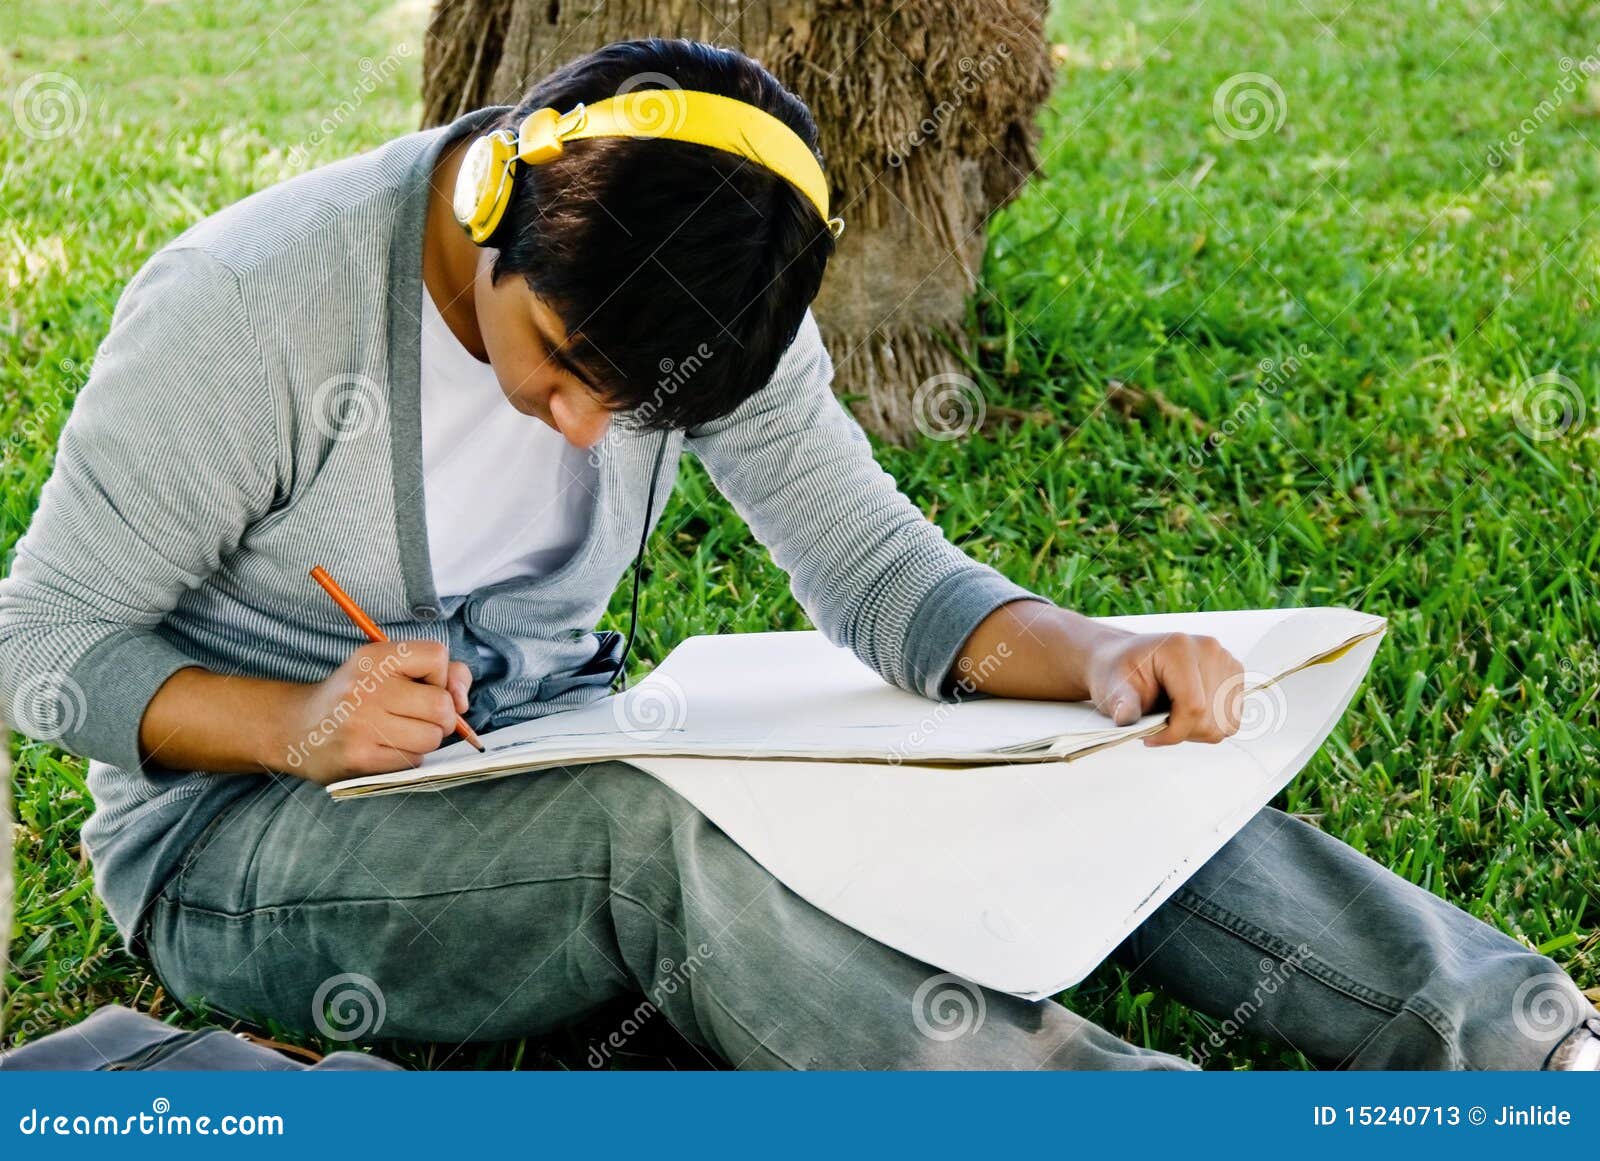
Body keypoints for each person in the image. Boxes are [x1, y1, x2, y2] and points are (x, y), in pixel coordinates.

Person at [1, 38, 1593, 1070]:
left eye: (630, 405)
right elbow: (39, 641)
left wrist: (1092, 655)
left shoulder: (706, 304)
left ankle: (1516, 1041)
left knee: (1038, 729)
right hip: (250, 842)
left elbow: (879, 574)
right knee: (657, 830)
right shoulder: (247, 309)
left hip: (544, 745)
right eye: (559, 358)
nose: (576, 428)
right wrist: (298, 722)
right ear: (497, 198)